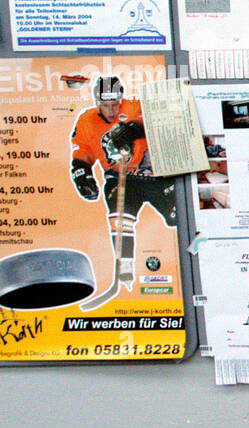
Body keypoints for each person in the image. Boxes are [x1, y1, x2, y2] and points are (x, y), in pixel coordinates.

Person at [70, 75, 177, 291]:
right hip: (121, 179)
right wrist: (82, 174)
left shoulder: (134, 105)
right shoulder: (85, 120)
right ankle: (125, 265)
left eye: (115, 104)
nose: (111, 110)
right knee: (120, 218)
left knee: (178, 217)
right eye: (106, 105)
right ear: (96, 102)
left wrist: (133, 127)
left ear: (121, 99)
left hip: (155, 177)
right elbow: (82, 150)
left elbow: (163, 117)